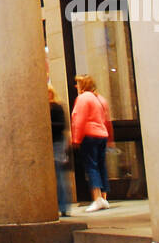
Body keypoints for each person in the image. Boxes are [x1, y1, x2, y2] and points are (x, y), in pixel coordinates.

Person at [71, 75, 113, 212]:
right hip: (102, 135)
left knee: (92, 166)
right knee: (101, 166)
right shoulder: (100, 99)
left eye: (78, 83)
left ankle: (97, 198)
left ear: (84, 85)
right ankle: (104, 198)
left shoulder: (83, 99)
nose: (76, 86)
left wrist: (76, 139)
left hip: (89, 135)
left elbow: (79, 119)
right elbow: (107, 120)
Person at [48, 85, 70, 217]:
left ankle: (63, 205)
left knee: (59, 174)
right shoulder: (55, 107)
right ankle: (61, 205)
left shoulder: (55, 107)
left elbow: (61, 126)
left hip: (56, 142)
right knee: (59, 174)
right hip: (55, 142)